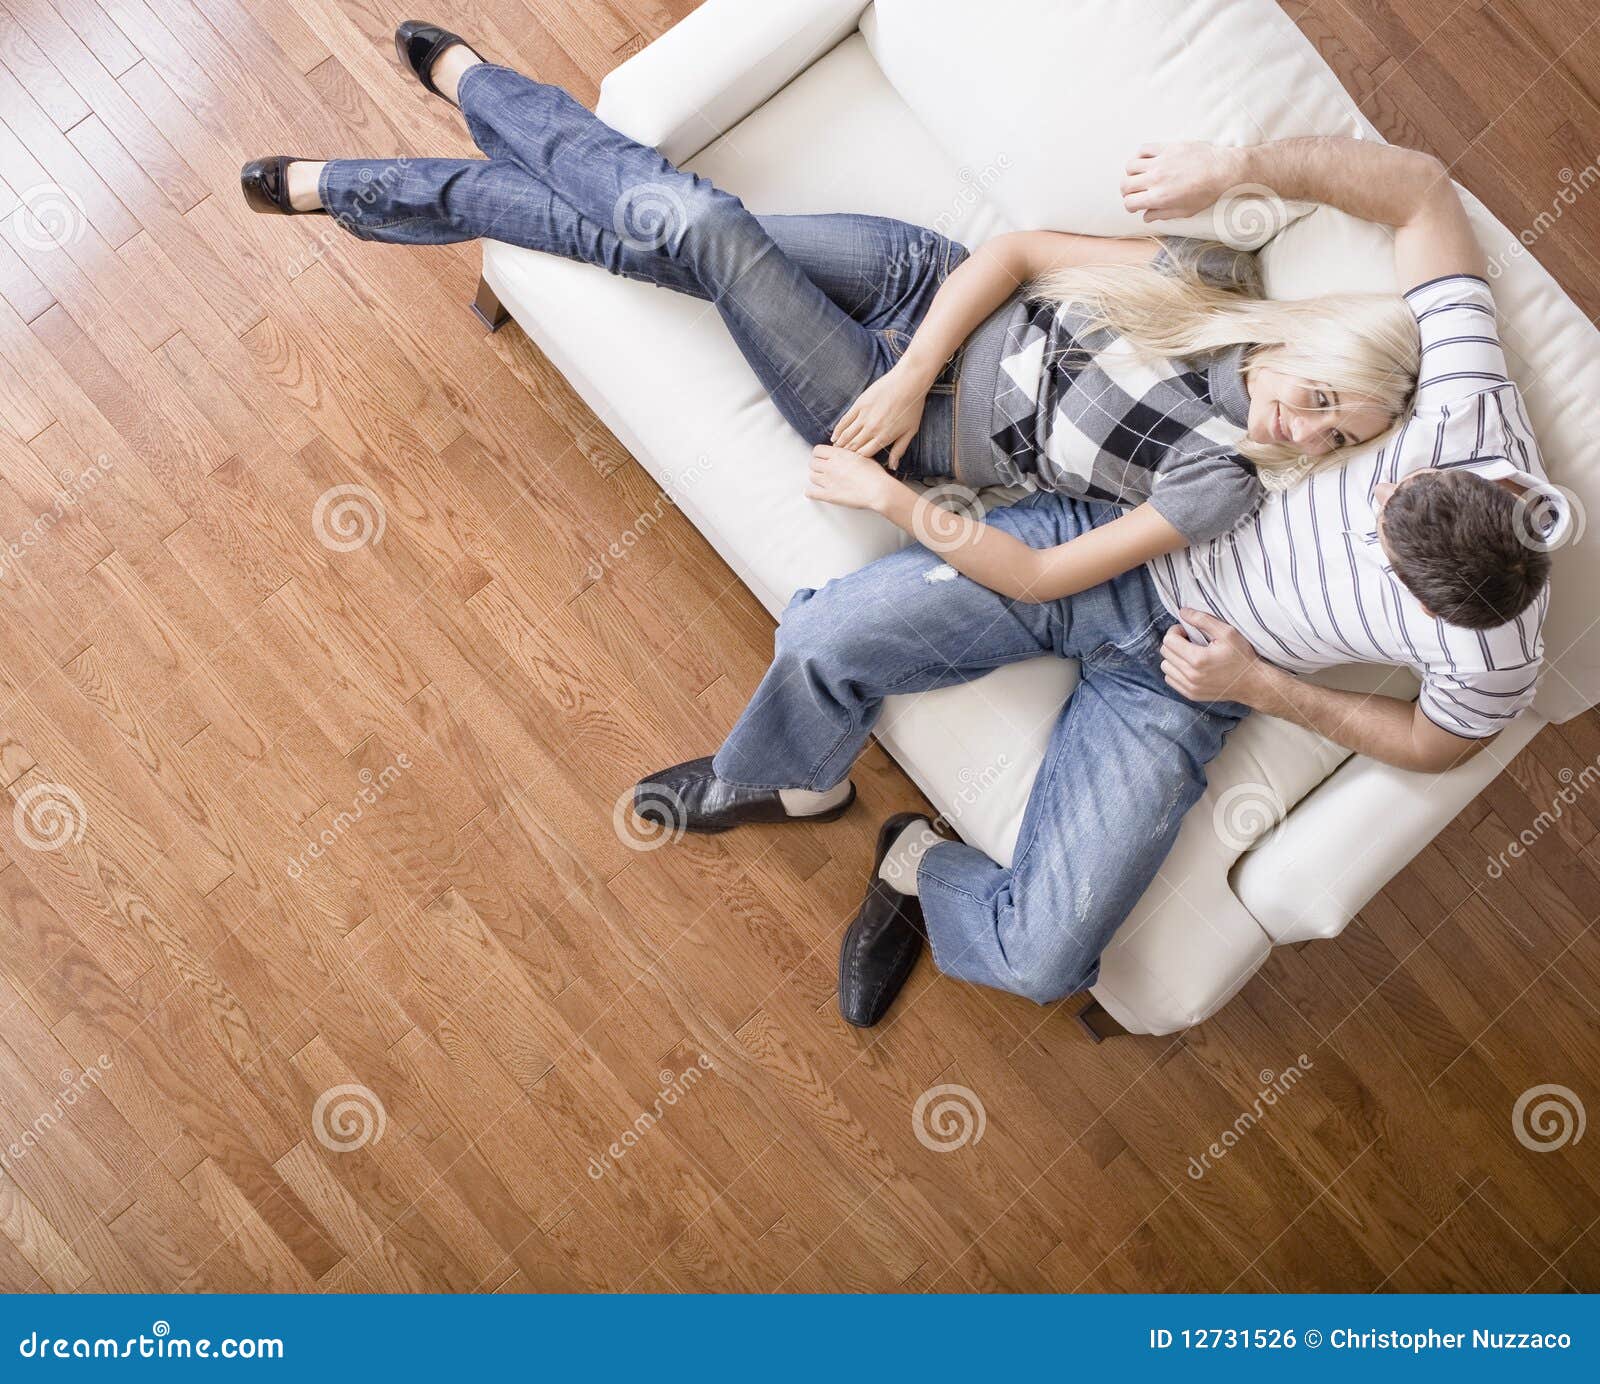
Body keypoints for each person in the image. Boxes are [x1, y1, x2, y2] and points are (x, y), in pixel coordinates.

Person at [637, 134, 1565, 1028]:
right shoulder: (1466, 404)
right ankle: (787, 779)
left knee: (1041, 961)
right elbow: (1420, 188)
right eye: (1380, 481)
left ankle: (916, 868)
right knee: (822, 641)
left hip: (1192, 684)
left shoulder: (1494, 656)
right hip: (1109, 543)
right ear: (1459, 471)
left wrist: (1260, 686)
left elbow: (1438, 744)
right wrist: (1239, 167)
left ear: (1429, 607)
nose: (1362, 489)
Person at [241, 22, 1416, 608]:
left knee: (692, 231)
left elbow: (1043, 577)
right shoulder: (1212, 281)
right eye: (1323, 399)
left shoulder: (1221, 484)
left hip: (885, 411)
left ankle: (441, 117)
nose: (1309, 434)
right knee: (649, 231)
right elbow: (1012, 253)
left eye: (1340, 438)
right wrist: (919, 365)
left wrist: (896, 489)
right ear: (1304, 339)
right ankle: (434, 132)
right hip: (923, 287)